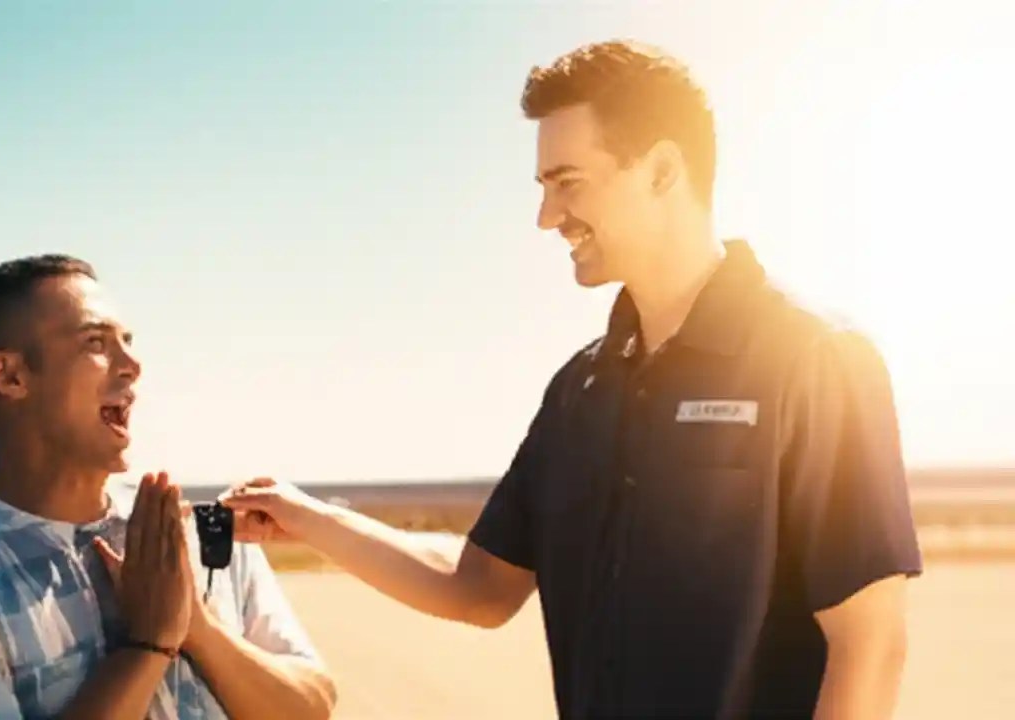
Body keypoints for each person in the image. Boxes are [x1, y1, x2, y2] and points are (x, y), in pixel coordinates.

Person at [220, 41, 922, 719]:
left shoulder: (817, 357)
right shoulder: (580, 390)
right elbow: (480, 587)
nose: (547, 217)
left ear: (662, 171)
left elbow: (870, 644)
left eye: (568, 183)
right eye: (544, 187)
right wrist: (311, 519)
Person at [0, 255, 336, 720]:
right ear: (9, 375)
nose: (133, 365)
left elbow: (312, 706)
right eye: (95, 342)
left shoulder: (189, 537)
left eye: (128, 341)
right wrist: (146, 647)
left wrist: (199, 627)